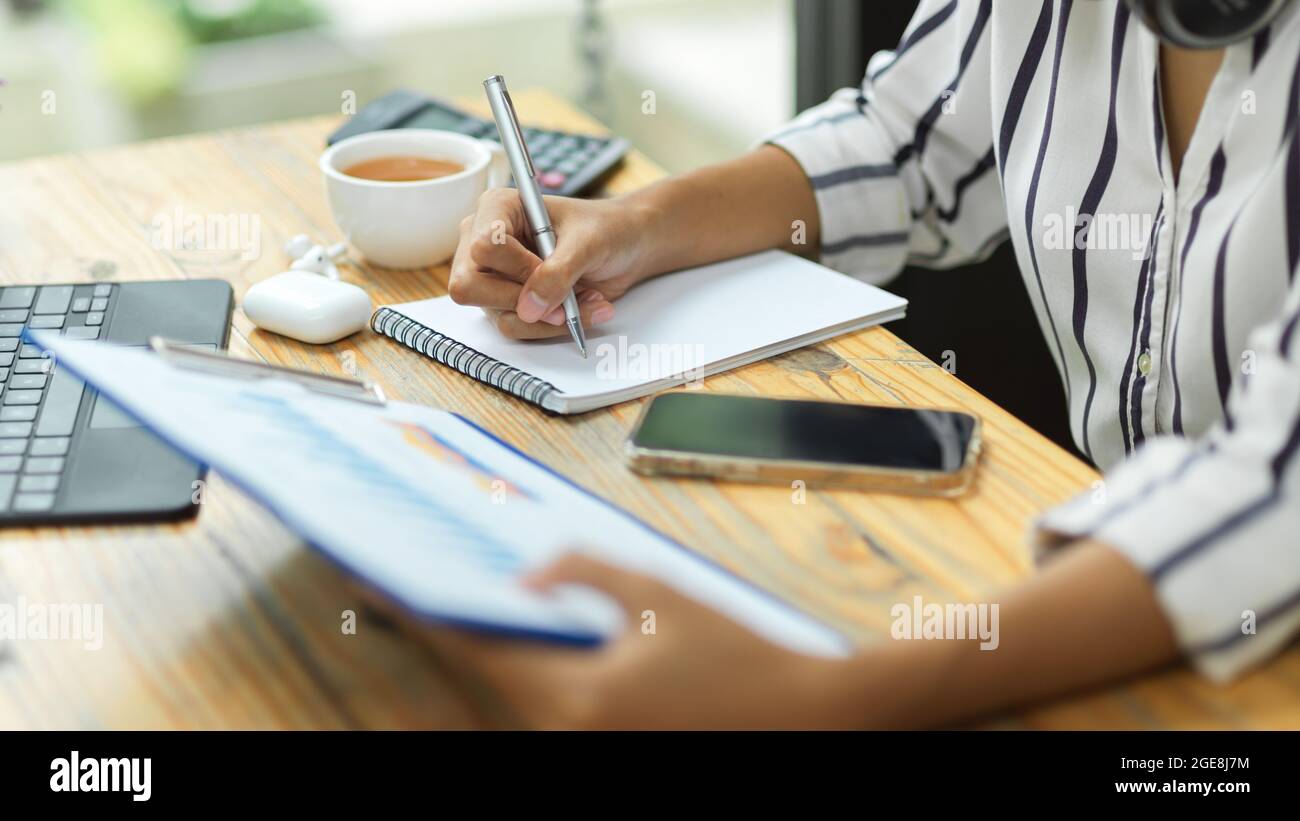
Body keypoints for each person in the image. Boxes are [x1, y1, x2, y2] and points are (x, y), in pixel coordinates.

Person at [434, 0, 1300, 728]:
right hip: (1093, 605)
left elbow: (1279, 480)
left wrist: (814, 696)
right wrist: (633, 228)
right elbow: (904, 141)